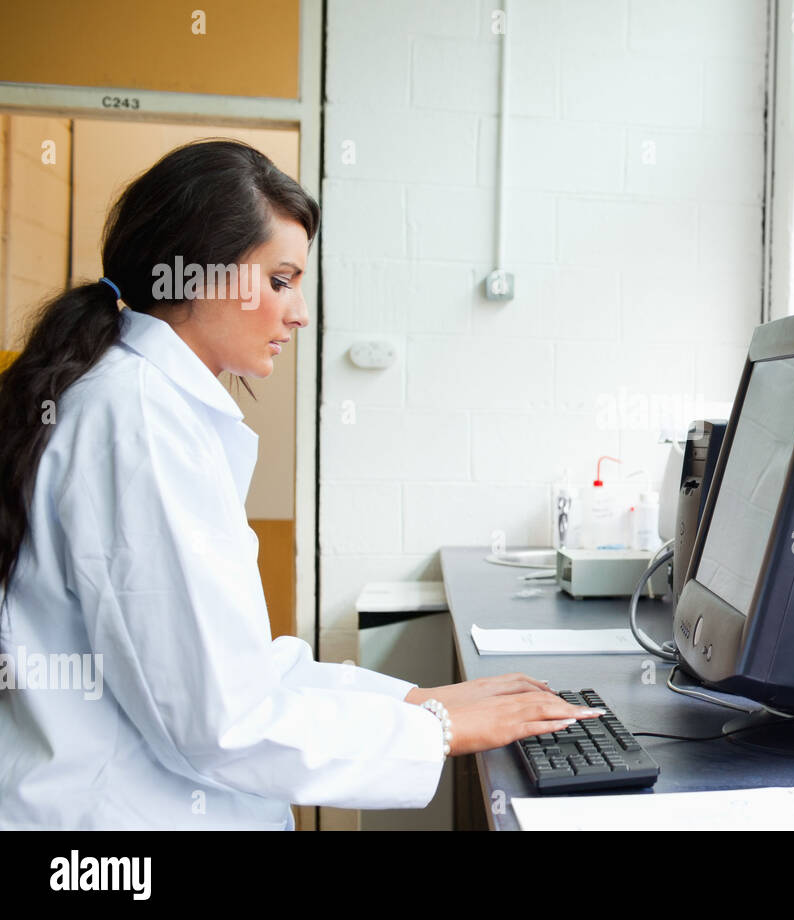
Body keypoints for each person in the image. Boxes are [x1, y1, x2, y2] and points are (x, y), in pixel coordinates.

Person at [0, 139, 598, 829]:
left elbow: (240, 666)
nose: (300, 313)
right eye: (280, 280)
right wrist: (437, 731)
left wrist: (414, 702)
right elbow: (221, 722)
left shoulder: (137, 401)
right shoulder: (136, 422)